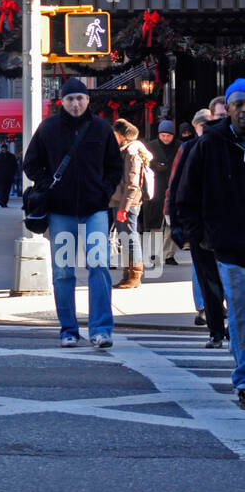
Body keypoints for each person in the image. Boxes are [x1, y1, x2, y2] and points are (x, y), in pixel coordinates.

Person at [23, 76, 123, 350]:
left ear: (88, 100)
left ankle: (101, 330)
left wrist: (104, 191)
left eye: (80, 98)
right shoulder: (48, 128)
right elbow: (30, 164)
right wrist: (48, 187)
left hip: (95, 209)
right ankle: (68, 330)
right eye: (70, 99)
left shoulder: (101, 129)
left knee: (99, 266)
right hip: (60, 210)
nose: (76, 103)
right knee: (63, 272)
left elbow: (115, 166)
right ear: (62, 102)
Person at [179, 79, 245, 404]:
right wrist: (199, 234)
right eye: (239, 105)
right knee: (240, 313)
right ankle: (244, 380)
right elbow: (187, 192)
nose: (244, 111)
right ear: (228, 109)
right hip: (230, 245)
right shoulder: (209, 145)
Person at [167, 109, 226, 346]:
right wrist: (182, 226)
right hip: (203, 227)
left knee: (230, 281)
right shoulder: (192, 148)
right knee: (208, 280)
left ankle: (228, 327)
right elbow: (178, 187)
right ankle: (216, 329)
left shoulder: (233, 146)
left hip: (229, 227)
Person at [109, 120, 153, 289]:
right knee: (125, 238)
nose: (113, 136)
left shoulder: (132, 153)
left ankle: (134, 275)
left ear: (123, 136)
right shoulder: (125, 151)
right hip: (121, 201)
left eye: (116, 133)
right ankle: (128, 274)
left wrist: (124, 208)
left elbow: (132, 184)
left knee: (130, 237)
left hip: (127, 203)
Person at [143, 120, 179, 267]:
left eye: (168, 136)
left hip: (174, 188)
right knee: (154, 222)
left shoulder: (179, 146)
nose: (165, 138)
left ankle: (169, 254)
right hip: (156, 189)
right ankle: (153, 253)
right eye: (163, 135)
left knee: (172, 222)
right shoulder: (151, 146)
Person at [0, 140, 18, 208]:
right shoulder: (9, 156)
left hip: (6, 176)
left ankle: (4, 202)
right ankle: (2, 202)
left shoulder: (10, 156)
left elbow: (15, 166)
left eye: (4, 149)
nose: (4, 150)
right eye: (3, 149)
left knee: (6, 190)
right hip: (2, 176)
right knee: (3, 190)